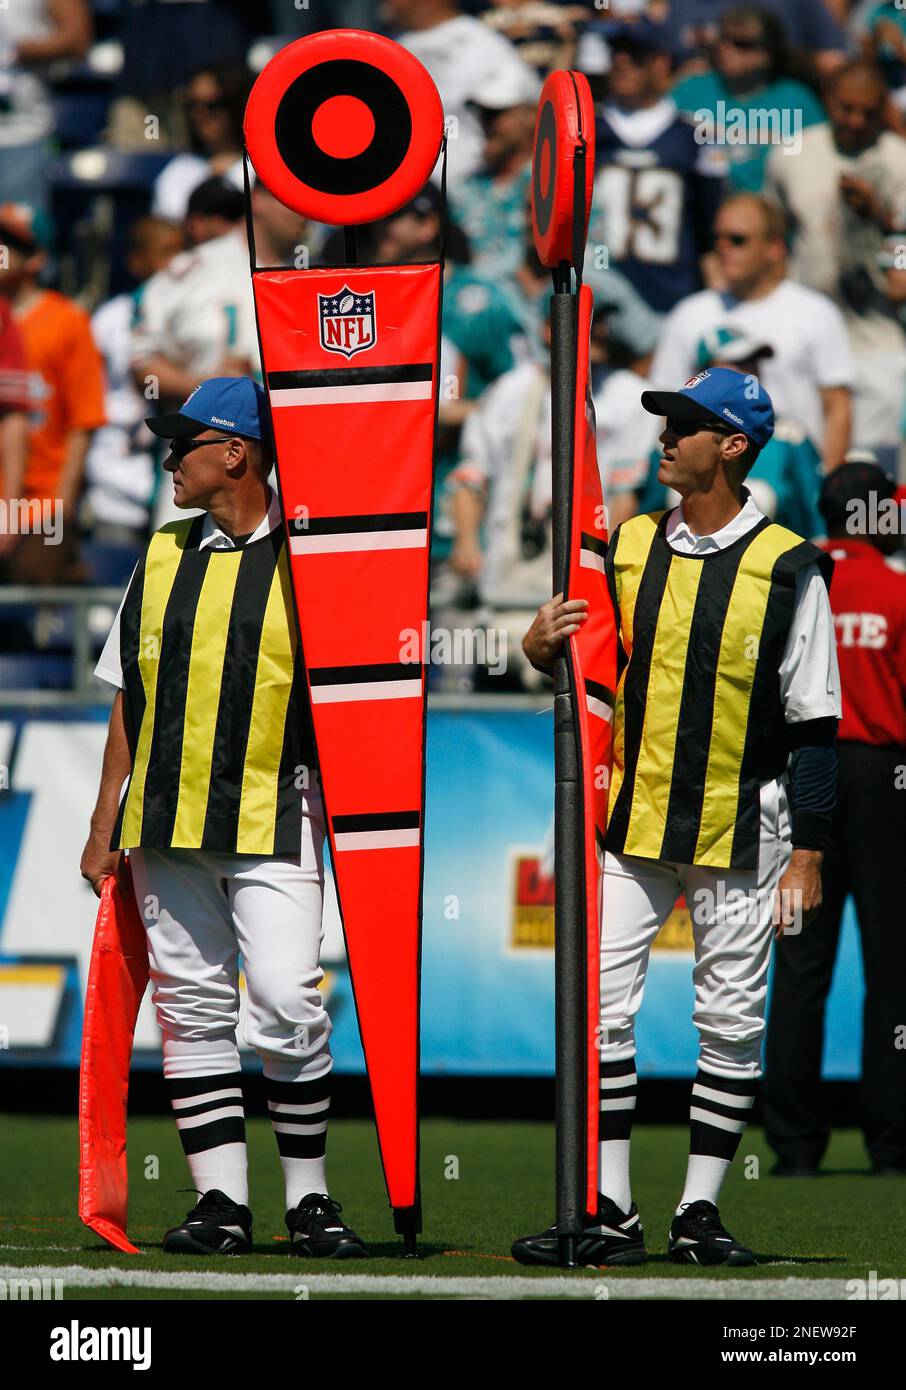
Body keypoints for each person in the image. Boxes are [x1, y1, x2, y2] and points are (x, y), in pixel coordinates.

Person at [514, 367, 841, 1265]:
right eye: (665, 423)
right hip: (634, 822)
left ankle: (699, 1214)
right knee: (596, 1009)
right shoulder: (624, 547)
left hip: (747, 827)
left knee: (730, 1023)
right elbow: (584, 668)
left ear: (733, 447)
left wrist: (808, 852)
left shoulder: (790, 566)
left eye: (685, 426)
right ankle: (611, 1210)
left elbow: (816, 727)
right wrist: (537, 648)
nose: (664, 439)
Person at [81, 376, 368, 1259]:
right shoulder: (162, 551)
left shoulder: (313, 559)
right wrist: (103, 823)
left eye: (185, 441)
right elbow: (129, 694)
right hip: (164, 822)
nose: (168, 456)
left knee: (286, 1001)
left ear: (236, 452)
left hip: (276, 813)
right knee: (194, 1011)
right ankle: (221, 1203)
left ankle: (311, 1201)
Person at [764, 462, 906, 1177]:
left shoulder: (795, 580)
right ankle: (891, 1146)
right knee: (893, 970)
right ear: (878, 516)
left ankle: (792, 1146)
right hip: (886, 780)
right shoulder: (899, 592)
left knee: (798, 964)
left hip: (802, 777)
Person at [764, 61, 906, 471]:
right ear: (827, 100)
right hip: (804, 338)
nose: (856, 121)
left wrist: (882, 221)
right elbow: (770, 234)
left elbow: (901, 284)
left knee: (869, 472)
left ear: (885, 108)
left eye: (869, 112)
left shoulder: (898, 163)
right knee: (803, 463)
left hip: (874, 342)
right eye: (846, 108)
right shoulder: (793, 152)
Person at [651, 193, 853, 468]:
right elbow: (667, 406)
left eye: (737, 240)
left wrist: (826, 482)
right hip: (711, 476)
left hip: (793, 477)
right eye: (717, 238)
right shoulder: (688, 314)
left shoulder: (816, 312)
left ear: (774, 247)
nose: (723, 248)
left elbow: (837, 405)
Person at [586, 18, 728, 315]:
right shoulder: (584, 130)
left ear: (661, 62)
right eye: (616, 52)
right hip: (596, 304)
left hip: (672, 304)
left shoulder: (696, 137)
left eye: (635, 53)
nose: (622, 62)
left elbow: (710, 232)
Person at [0, 202, 106, 584]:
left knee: (34, 590)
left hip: (39, 505)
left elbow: (83, 422)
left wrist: (60, 507)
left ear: (37, 259)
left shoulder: (68, 322)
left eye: (8, 244)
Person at [84, 217, 185, 554]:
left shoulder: (188, 312)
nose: (177, 263)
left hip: (175, 477)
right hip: (119, 477)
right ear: (137, 261)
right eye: (166, 252)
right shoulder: (112, 317)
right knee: (115, 594)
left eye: (182, 252)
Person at [672, 5, 827, 193]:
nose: (726, 49)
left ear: (767, 54)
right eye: (722, 39)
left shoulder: (798, 101)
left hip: (768, 209)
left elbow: (817, 164)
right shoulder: (690, 90)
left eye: (742, 44)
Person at [151, 63, 252, 223]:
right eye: (192, 105)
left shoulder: (262, 173)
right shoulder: (178, 171)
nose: (199, 114)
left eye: (213, 105)